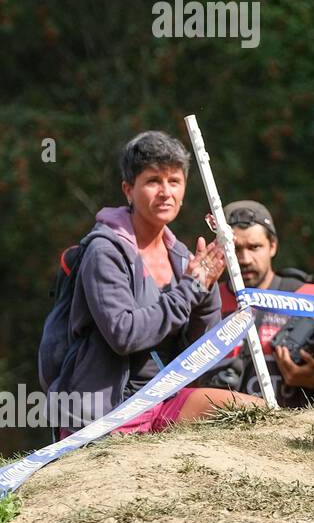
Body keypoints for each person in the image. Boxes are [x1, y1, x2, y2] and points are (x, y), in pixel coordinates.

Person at [60, 131, 263, 434]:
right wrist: (190, 289)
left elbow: (204, 349)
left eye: (174, 181)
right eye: (153, 181)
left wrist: (205, 290)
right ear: (128, 190)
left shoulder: (180, 255)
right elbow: (124, 334)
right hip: (108, 411)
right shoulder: (104, 251)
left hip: (165, 400)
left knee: (257, 413)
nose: (165, 192)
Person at [202, 200, 314, 406]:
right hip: (225, 435)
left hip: (298, 432)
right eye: (235, 249)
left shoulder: (307, 297)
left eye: (255, 247)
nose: (245, 259)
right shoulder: (208, 303)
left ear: (273, 246)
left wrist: (313, 379)